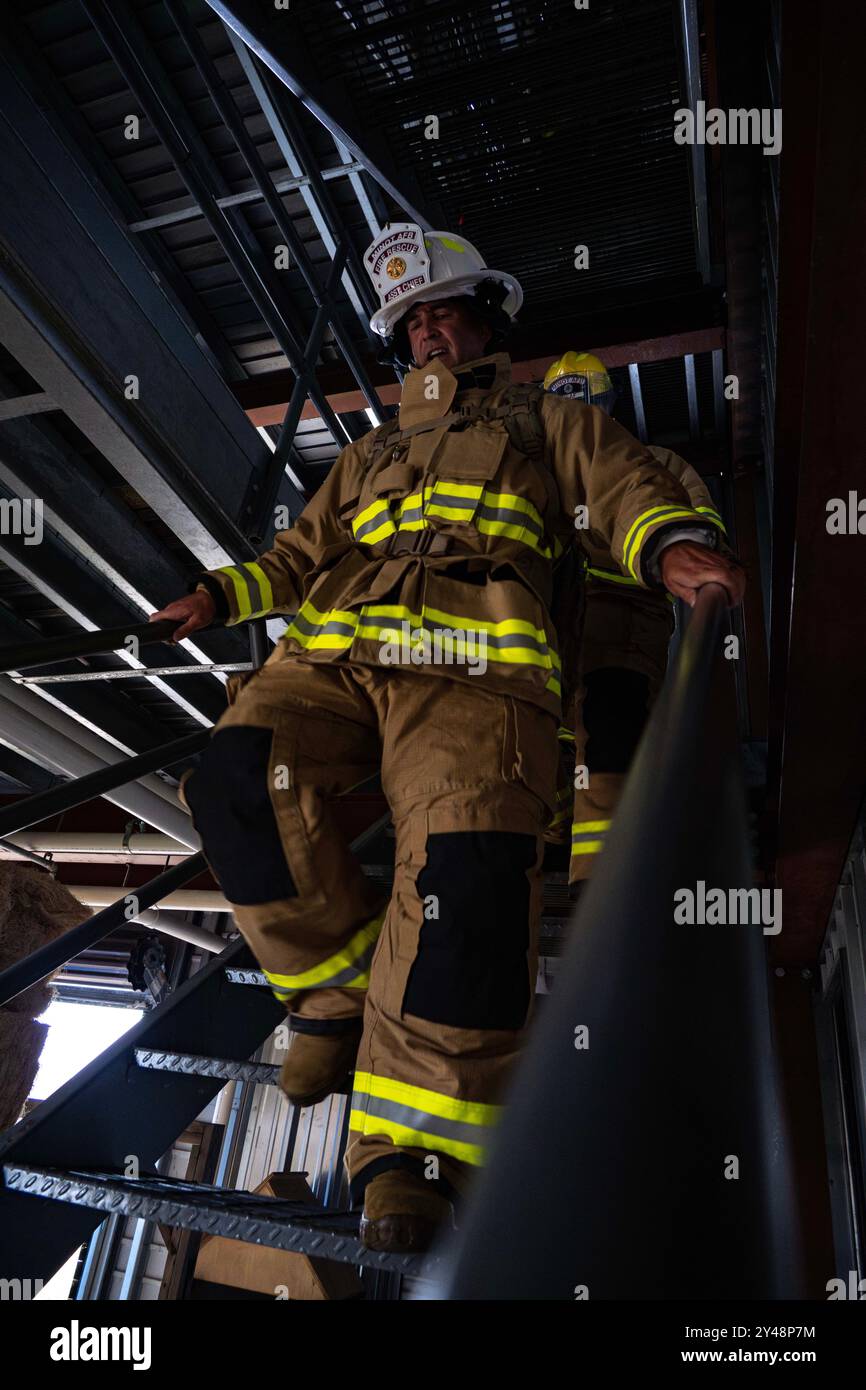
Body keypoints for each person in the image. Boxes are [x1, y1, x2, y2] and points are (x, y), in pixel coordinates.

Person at [150, 224, 745, 1252]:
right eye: (411, 322)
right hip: (332, 656)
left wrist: (673, 546)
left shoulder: (541, 418)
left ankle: (408, 1153)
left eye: (443, 310)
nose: (426, 333)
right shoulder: (368, 452)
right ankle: (332, 994)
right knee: (235, 777)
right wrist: (213, 594)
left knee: (465, 877)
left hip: (474, 668)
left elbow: (620, 484)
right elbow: (298, 554)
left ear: (486, 322)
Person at [543, 351, 738, 880]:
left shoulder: (653, 465)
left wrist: (690, 555)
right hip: (549, 636)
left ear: (606, 405)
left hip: (623, 624)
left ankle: (606, 880)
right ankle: (557, 842)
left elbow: (698, 525)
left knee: (610, 731)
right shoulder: (535, 477)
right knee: (545, 745)